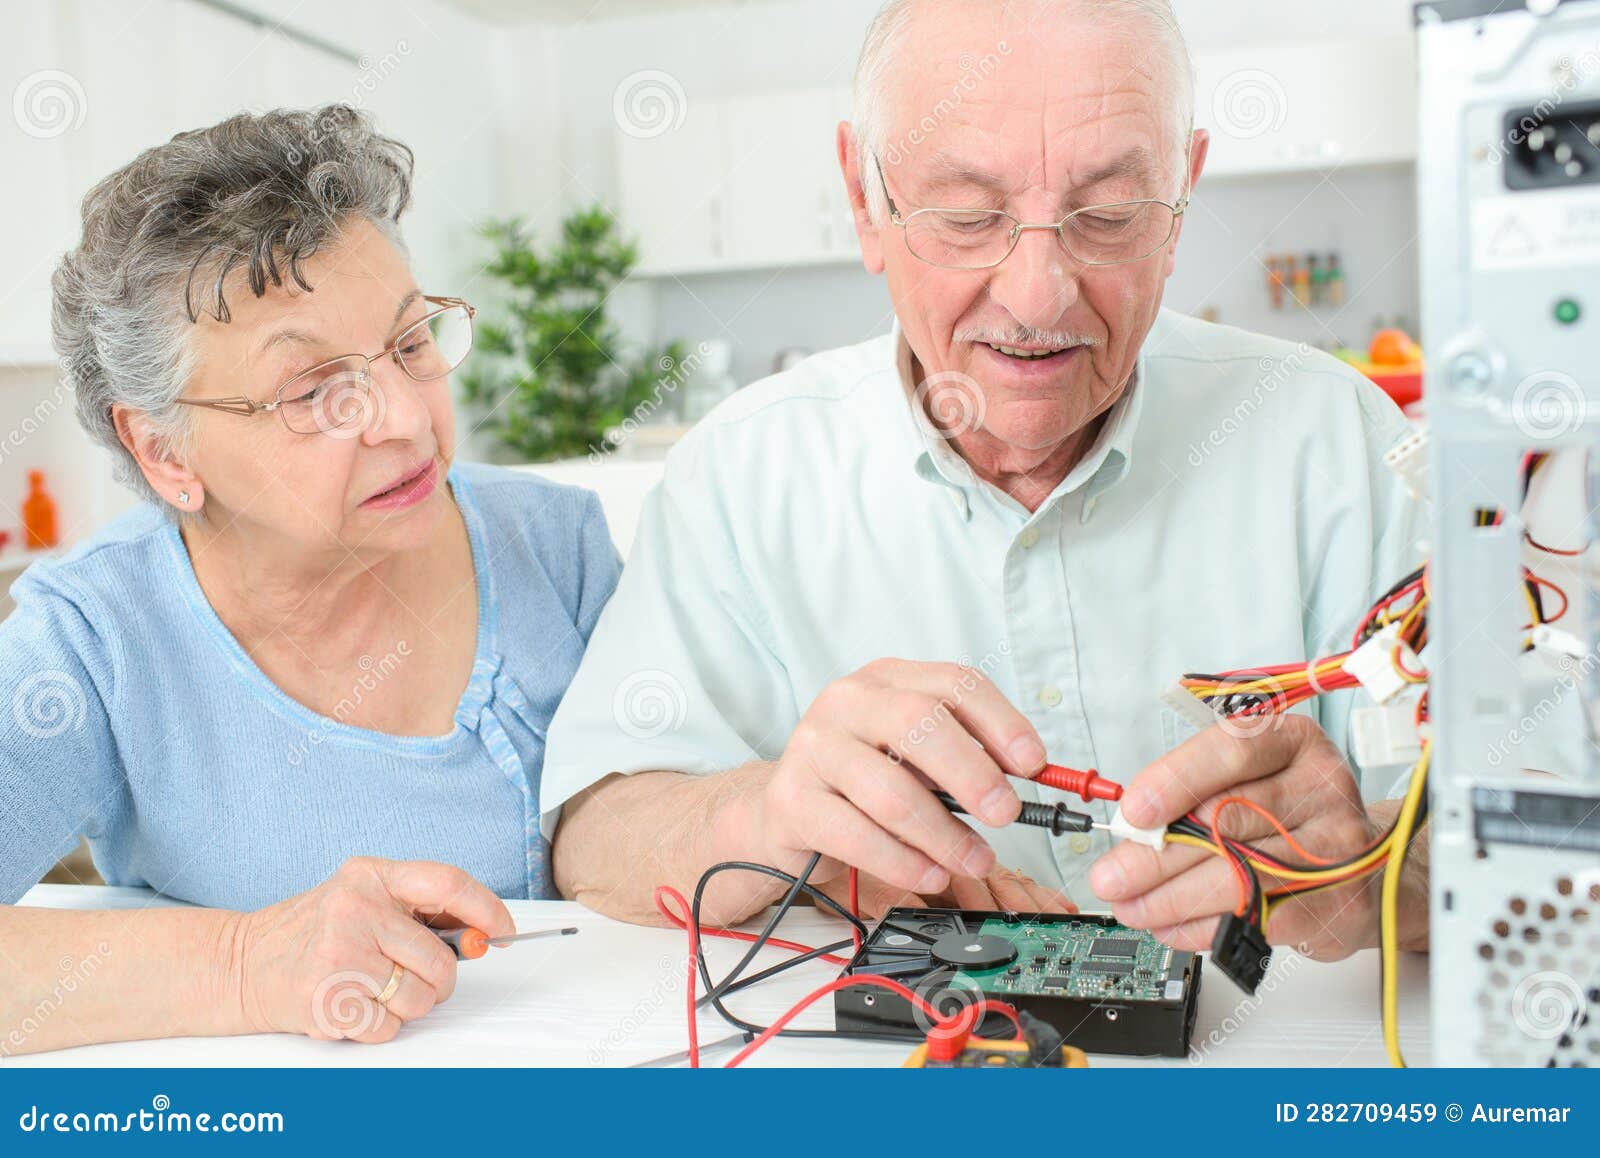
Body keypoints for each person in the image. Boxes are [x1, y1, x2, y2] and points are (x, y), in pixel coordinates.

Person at [541, 0, 1427, 958]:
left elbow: (1551, 842)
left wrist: (1384, 874)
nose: (1037, 295)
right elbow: (595, 834)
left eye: (1110, 215)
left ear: (1181, 200)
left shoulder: (1340, 444)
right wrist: (768, 815)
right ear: (863, 197)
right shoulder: (740, 477)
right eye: (967, 217)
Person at [0, 105, 618, 1055]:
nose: (406, 420)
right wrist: (248, 963)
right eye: (317, 391)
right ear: (163, 451)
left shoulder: (559, 548)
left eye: (413, 343)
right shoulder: (91, 639)